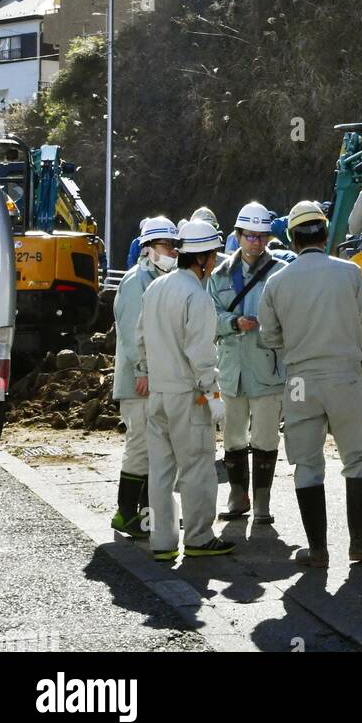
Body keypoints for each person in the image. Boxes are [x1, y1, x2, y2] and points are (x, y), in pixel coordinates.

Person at [259, 200, 362, 568]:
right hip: (346, 375)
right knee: (358, 459)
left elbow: (270, 336)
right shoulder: (349, 273)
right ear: (325, 233)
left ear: (292, 238)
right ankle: (359, 544)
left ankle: (317, 551)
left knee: (307, 464)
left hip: (300, 380)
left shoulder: (277, 281)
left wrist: (299, 345)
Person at [136, 217, 234, 562]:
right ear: (204, 258)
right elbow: (201, 354)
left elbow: (141, 339)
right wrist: (214, 395)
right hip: (187, 396)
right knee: (196, 468)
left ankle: (162, 542)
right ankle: (198, 537)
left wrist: (147, 372)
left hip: (158, 394)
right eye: (214, 256)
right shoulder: (198, 297)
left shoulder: (156, 288)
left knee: (161, 471)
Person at [208, 202, 290, 524]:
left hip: (267, 367)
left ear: (268, 238)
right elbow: (208, 317)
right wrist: (232, 322)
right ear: (238, 236)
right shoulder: (220, 275)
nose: (254, 243)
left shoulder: (281, 273)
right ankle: (237, 497)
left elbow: (291, 319)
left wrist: (267, 326)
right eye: (249, 236)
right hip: (231, 370)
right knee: (232, 437)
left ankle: (263, 503)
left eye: (260, 237)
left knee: (266, 438)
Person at [111, 216, 179, 537]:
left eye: (174, 246)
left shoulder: (158, 280)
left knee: (156, 449)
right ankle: (126, 514)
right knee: (140, 446)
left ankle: (149, 515)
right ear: (149, 248)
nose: (172, 252)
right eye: (167, 245)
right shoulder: (134, 281)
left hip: (156, 379)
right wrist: (143, 370)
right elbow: (130, 332)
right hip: (139, 381)